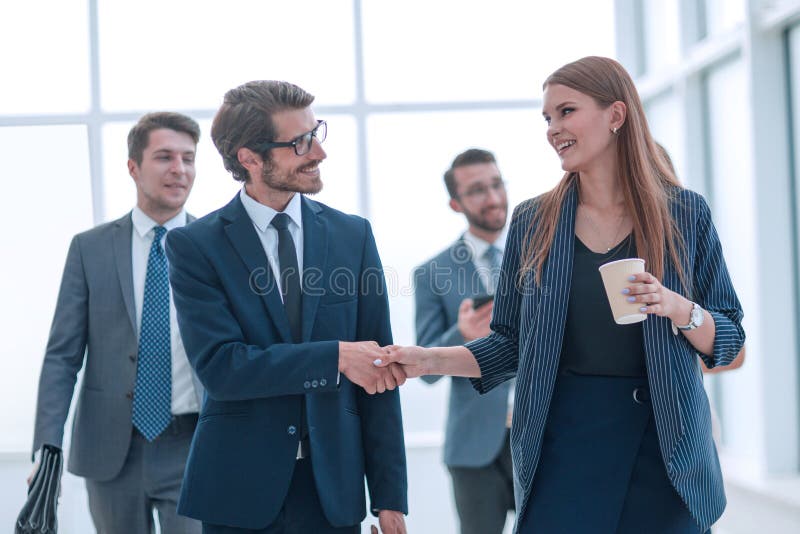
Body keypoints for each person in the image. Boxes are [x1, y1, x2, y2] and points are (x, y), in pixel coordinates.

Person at [382, 56, 745, 533]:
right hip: (564, 444)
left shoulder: (685, 213)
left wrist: (677, 307)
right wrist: (427, 360)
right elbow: (510, 344)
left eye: (567, 112)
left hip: (665, 449)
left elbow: (730, 339)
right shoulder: (534, 220)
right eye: (547, 118)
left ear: (616, 115)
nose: (553, 128)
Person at [164, 80, 408, 534]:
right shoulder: (194, 247)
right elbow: (221, 367)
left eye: (316, 133)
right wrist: (335, 356)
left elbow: (381, 370)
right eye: (300, 142)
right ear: (249, 158)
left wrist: (390, 498)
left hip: (333, 490)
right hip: (237, 490)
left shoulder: (352, 236)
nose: (318, 152)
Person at [31, 112, 204, 533]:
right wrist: (46, 444)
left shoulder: (214, 247)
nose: (179, 170)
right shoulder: (90, 249)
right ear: (133, 167)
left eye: (188, 158)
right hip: (111, 448)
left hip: (193, 445)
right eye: (164, 157)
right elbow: (62, 356)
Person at [414, 148, 514, 534]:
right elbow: (424, 371)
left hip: (541, 434)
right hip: (473, 446)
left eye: (496, 184)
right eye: (476, 191)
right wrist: (462, 335)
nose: (492, 197)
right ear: (456, 203)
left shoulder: (540, 258)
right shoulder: (431, 273)